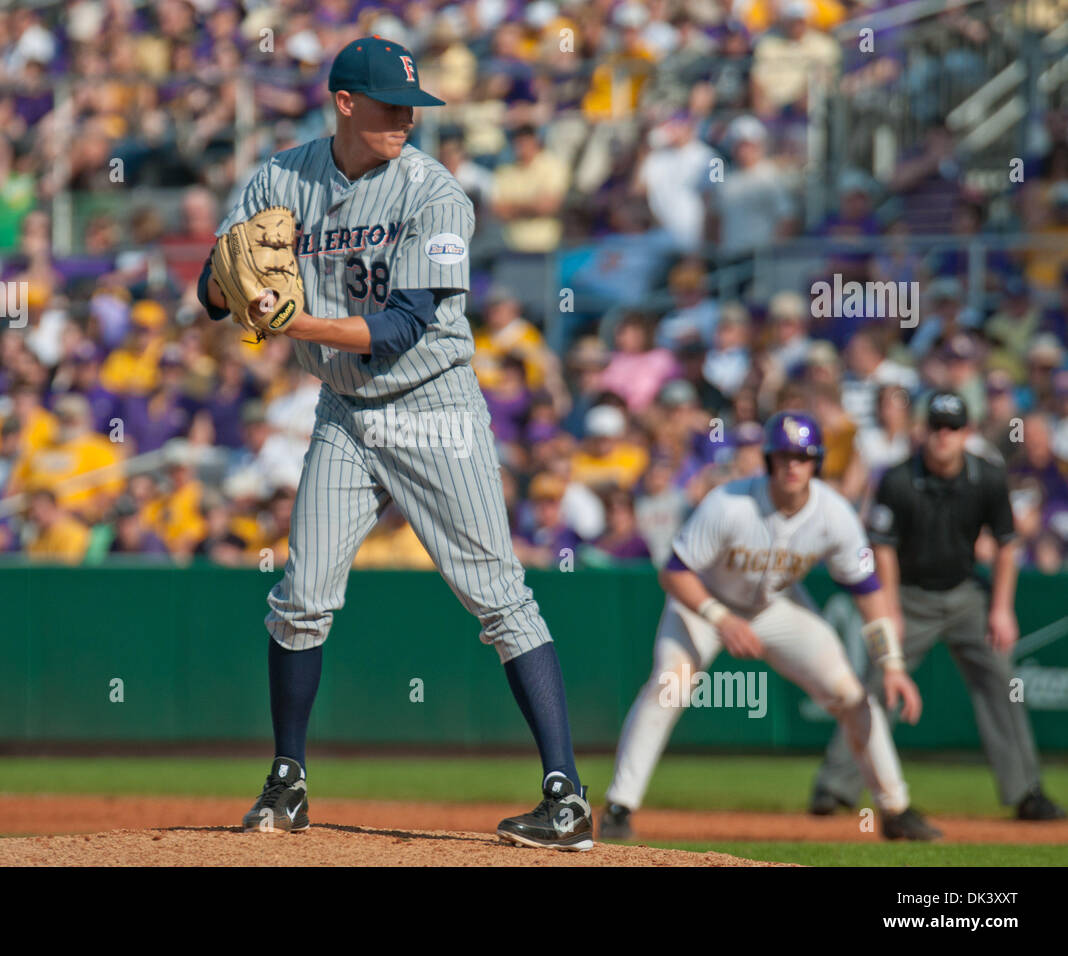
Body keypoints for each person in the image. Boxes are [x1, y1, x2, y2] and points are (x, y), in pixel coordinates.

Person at [197, 37, 593, 850]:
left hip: (432, 404)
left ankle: (567, 798)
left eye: (414, 108)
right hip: (343, 410)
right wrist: (225, 282)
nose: (408, 121)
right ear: (344, 102)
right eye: (390, 107)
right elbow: (212, 291)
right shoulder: (279, 179)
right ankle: (288, 779)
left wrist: (289, 319)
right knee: (301, 595)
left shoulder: (436, 193)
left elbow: (405, 327)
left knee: (498, 596)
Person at [602, 412, 941, 842]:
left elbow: (869, 593)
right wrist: (719, 618)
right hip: (703, 603)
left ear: (817, 462)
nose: (792, 466)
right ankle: (619, 806)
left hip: (772, 607)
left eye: (803, 456)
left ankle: (895, 809)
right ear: (767, 460)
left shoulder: (834, 515)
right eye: (783, 456)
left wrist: (891, 663)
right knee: (669, 685)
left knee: (852, 695)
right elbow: (674, 573)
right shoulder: (729, 504)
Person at [810, 393, 1066, 821]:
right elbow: (883, 549)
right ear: (925, 430)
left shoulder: (986, 476)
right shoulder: (898, 478)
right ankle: (834, 787)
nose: (943, 435)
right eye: (937, 426)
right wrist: (889, 609)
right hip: (909, 595)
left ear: (966, 432)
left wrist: (1002, 608)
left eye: (952, 427)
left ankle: (1026, 791)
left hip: (967, 594)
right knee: (878, 683)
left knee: (1001, 680)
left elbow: (1007, 544)